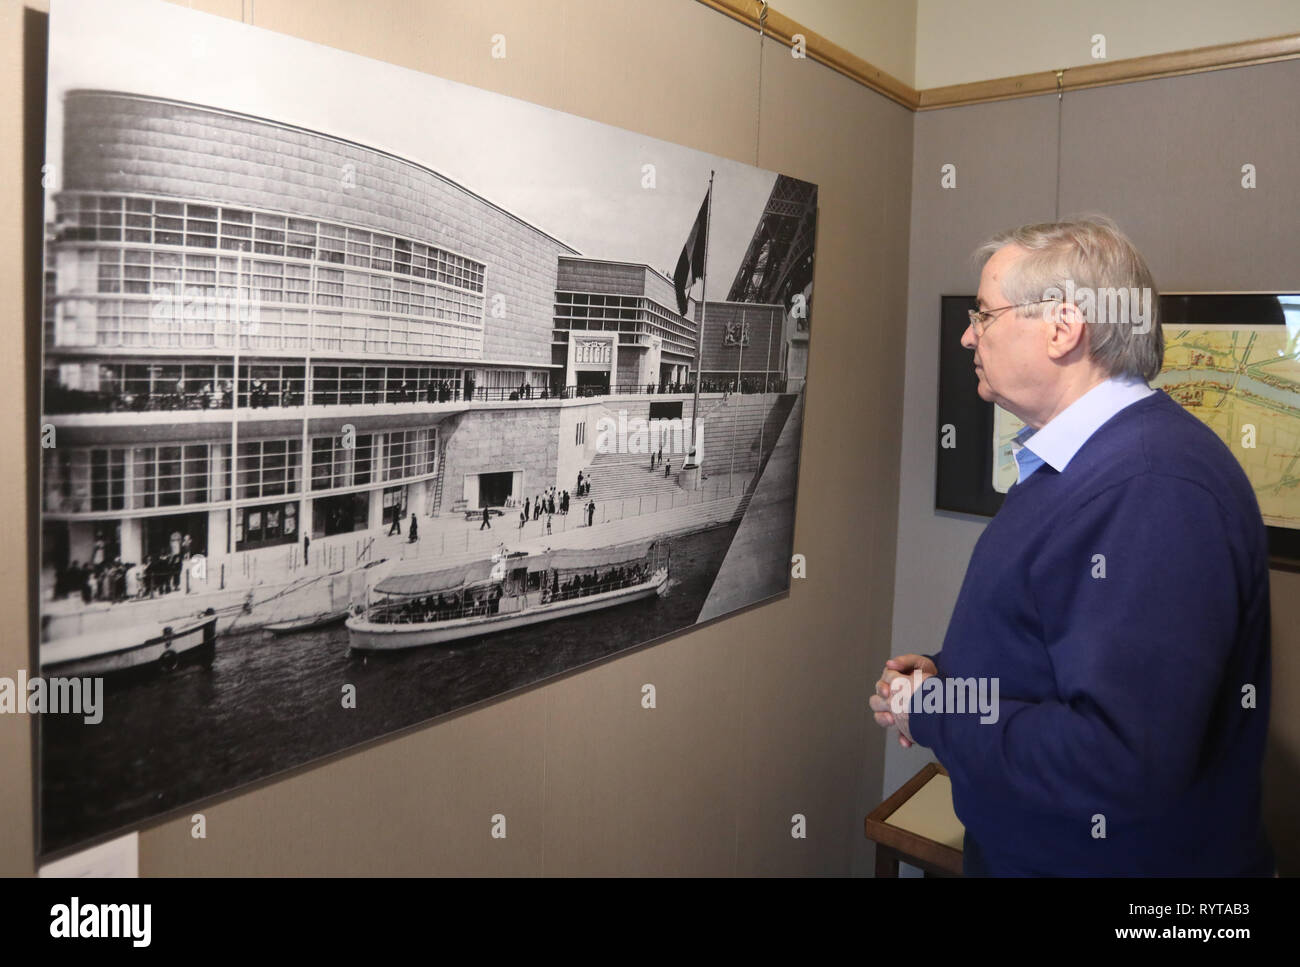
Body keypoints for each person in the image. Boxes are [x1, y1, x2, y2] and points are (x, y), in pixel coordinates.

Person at [869, 215, 1273, 876]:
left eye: (984, 314)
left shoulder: (1153, 487)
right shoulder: (1087, 461)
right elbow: (1055, 648)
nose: (968, 333)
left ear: (1062, 328)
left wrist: (934, 710)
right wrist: (947, 675)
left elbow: (1119, 758)